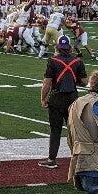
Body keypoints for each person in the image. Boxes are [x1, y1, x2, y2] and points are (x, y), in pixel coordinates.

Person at [38, 35, 87, 169]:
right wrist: (73, 80)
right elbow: (84, 82)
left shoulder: (52, 61)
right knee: (74, 130)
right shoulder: (77, 61)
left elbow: (47, 83)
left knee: (55, 131)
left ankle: (52, 159)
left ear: (57, 47)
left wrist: (43, 98)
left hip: (56, 99)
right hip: (72, 99)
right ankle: (78, 160)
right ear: (69, 48)